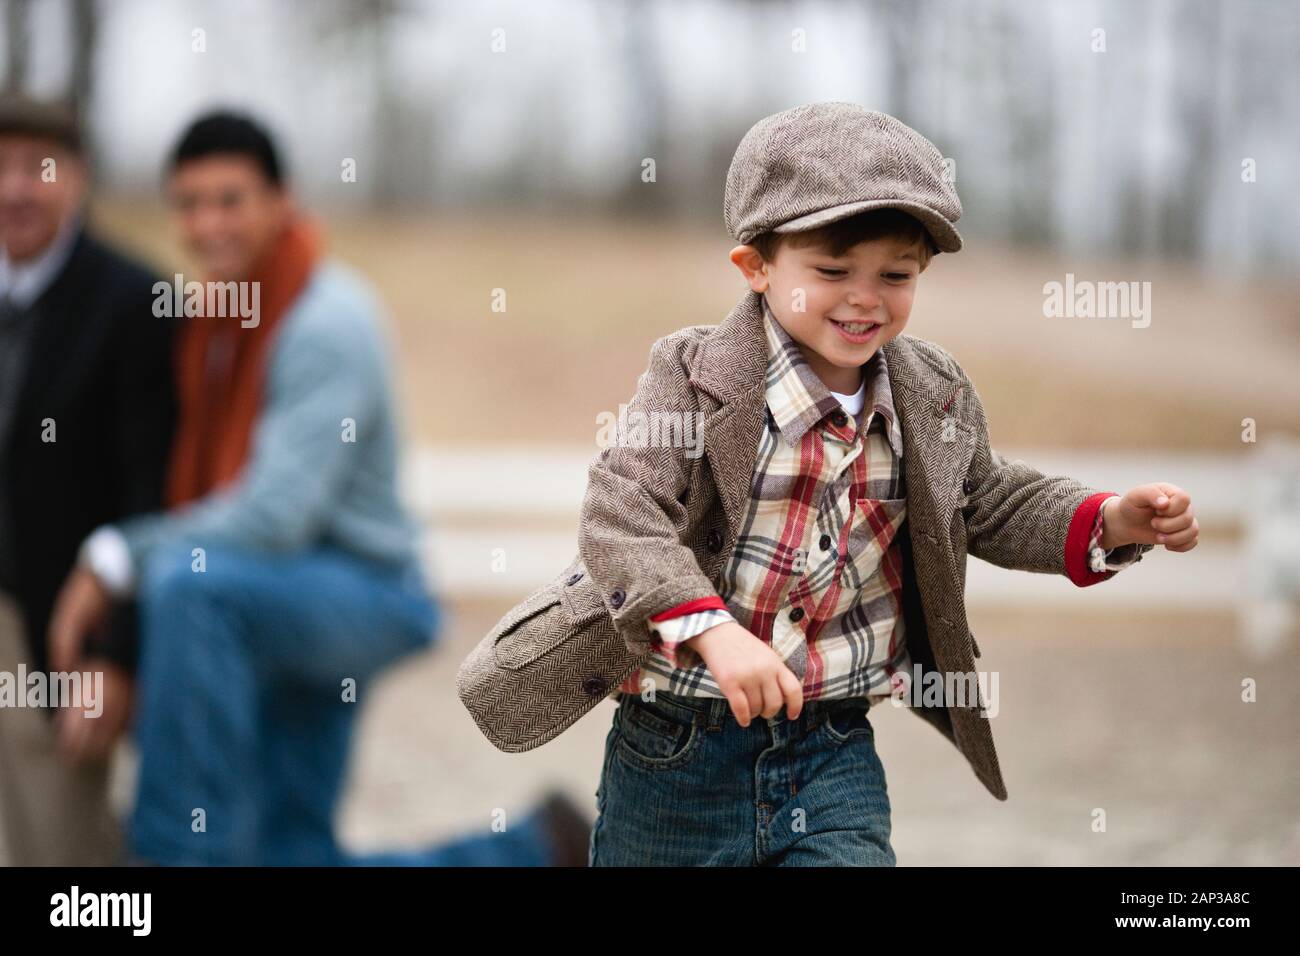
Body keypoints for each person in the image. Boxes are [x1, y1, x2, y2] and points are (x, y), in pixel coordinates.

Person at [575, 103, 1199, 865]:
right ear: (757, 267)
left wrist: (1108, 520)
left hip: (831, 746)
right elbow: (622, 509)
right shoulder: (692, 376)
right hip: (676, 748)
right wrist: (711, 628)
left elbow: (990, 501)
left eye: (895, 275)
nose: (866, 297)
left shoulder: (929, 392)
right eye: (833, 271)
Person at [49, 110, 587, 866]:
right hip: (278, 598)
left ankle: (168, 858)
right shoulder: (217, 323)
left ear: (281, 200)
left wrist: (115, 556)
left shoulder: (324, 319)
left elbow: (274, 517)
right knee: (290, 855)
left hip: (355, 591)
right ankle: (533, 852)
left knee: (189, 587)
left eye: (229, 200)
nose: (207, 224)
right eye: (189, 203)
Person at [0, 94, 176, 866]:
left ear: (78, 178)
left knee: (63, 854)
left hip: (57, 627)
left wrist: (117, 655)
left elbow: (157, 489)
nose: (16, 188)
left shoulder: (134, 301)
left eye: (39, 168)